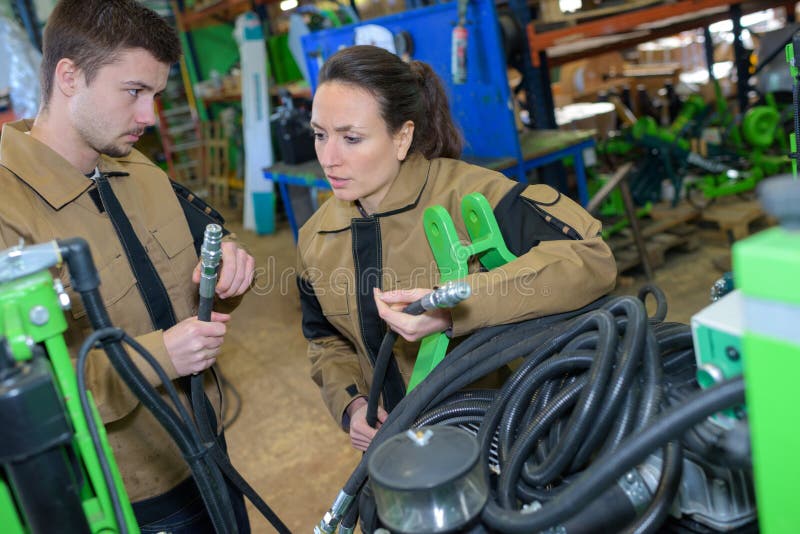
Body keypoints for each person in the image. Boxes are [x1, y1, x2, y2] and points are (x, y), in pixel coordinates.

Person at [0, 1, 255, 532]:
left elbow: (200, 237)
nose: (150, 117)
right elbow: (27, 395)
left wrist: (227, 262)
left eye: (155, 95)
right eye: (135, 92)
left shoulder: (134, 164)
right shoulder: (8, 209)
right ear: (69, 75)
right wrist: (161, 355)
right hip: (133, 490)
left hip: (209, 445)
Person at [296, 45, 617, 452]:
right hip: (400, 451)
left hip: (504, 436)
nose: (329, 158)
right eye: (320, 135)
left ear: (402, 137)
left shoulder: (474, 197)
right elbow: (325, 339)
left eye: (351, 138)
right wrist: (353, 403)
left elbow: (592, 259)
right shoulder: (314, 238)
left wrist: (458, 308)